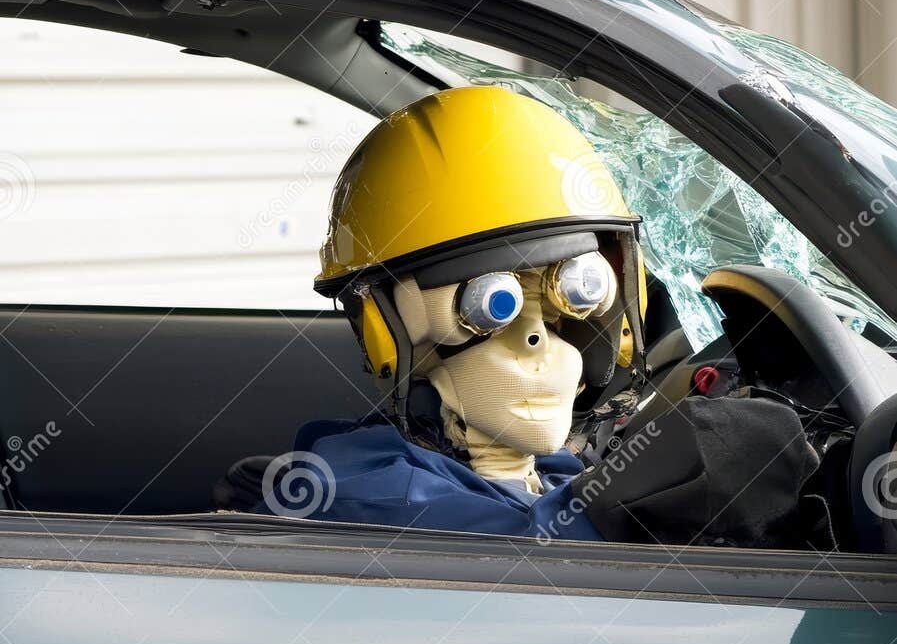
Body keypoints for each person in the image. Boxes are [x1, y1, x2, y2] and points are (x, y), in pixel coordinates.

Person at [252, 84, 816, 544]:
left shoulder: (546, 470)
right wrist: (672, 471)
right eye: (489, 306)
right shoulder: (370, 489)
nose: (534, 341)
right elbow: (528, 550)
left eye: (570, 300)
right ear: (390, 330)